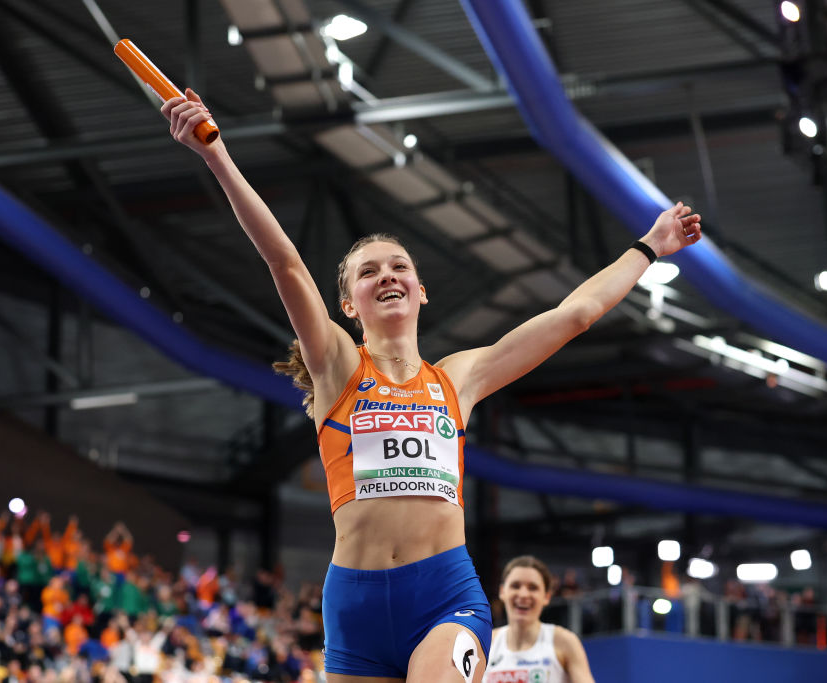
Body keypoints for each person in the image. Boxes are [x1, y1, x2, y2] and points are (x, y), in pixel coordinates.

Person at [162, 89, 702, 683]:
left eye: (400, 268)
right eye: (368, 272)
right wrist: (216, 156)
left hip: (446, 595)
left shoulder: (459, 378)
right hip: (356, 607)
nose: (387, 275)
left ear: (421, 291)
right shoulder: (338, 368)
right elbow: (285, 262)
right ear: (347, 303)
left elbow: (575, 314)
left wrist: (651, 245)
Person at [485, 556, 595, 683]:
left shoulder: (564, 641)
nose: (523, 594)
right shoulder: (486, 643)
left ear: (547, 596)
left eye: (533, 588)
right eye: (515, 586)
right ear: (502, 591)